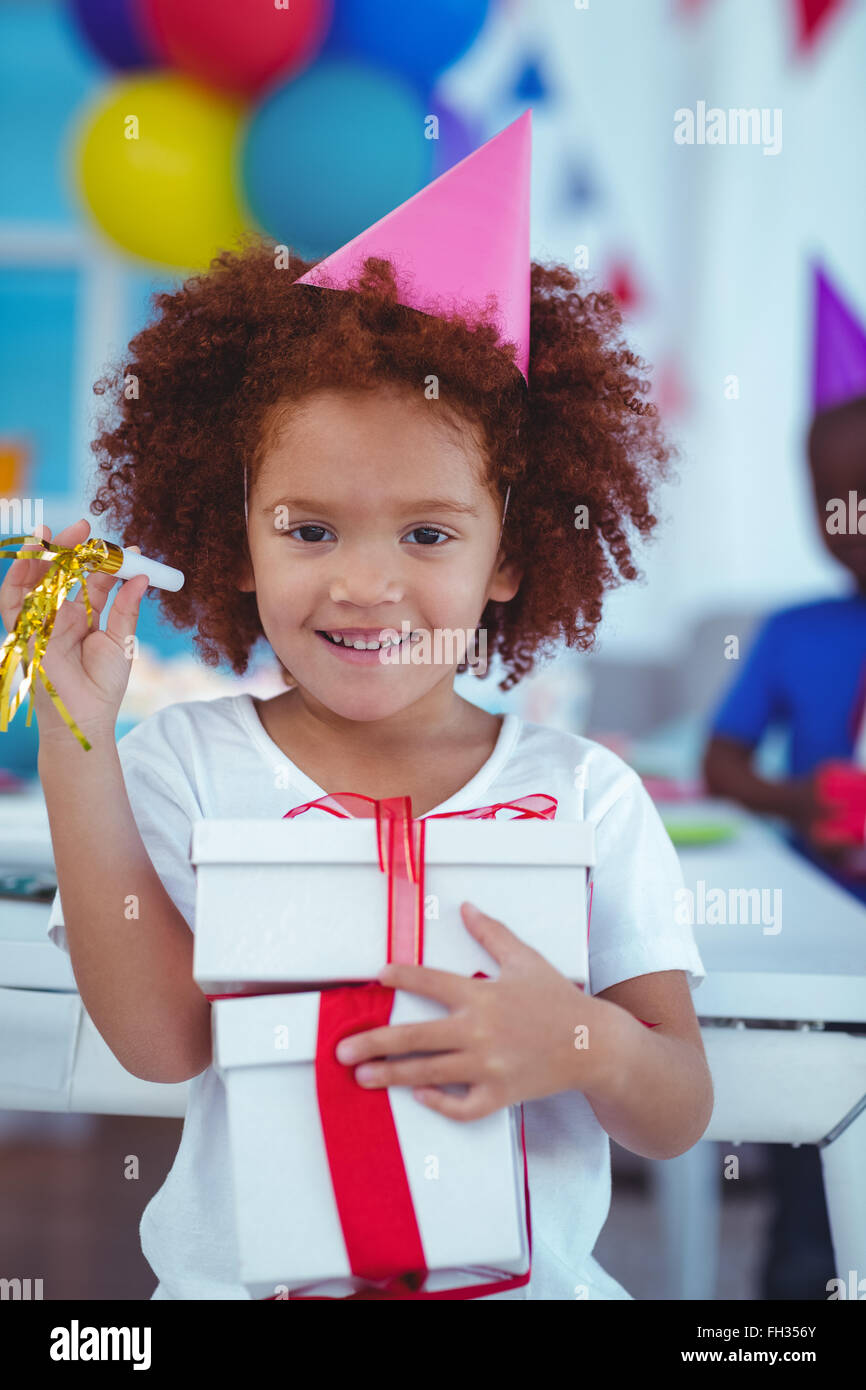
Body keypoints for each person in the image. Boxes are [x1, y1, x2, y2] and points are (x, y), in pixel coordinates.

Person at [3, 112, 710, 1300]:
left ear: (509, 553)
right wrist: (78, 738)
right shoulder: (185, 762)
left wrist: (575, 1038)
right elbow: (161, 1040)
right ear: (236, 539)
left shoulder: (585, 794)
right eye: (309, 529)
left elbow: (678, 1109)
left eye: (426, 532)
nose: (362, 582)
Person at [701, 267, 866, 1300]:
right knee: (808, 1194)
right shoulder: (792, 633)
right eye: (830, 497)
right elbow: (718, 760)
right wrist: (792, 801)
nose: (848, 515)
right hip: (812, 943)